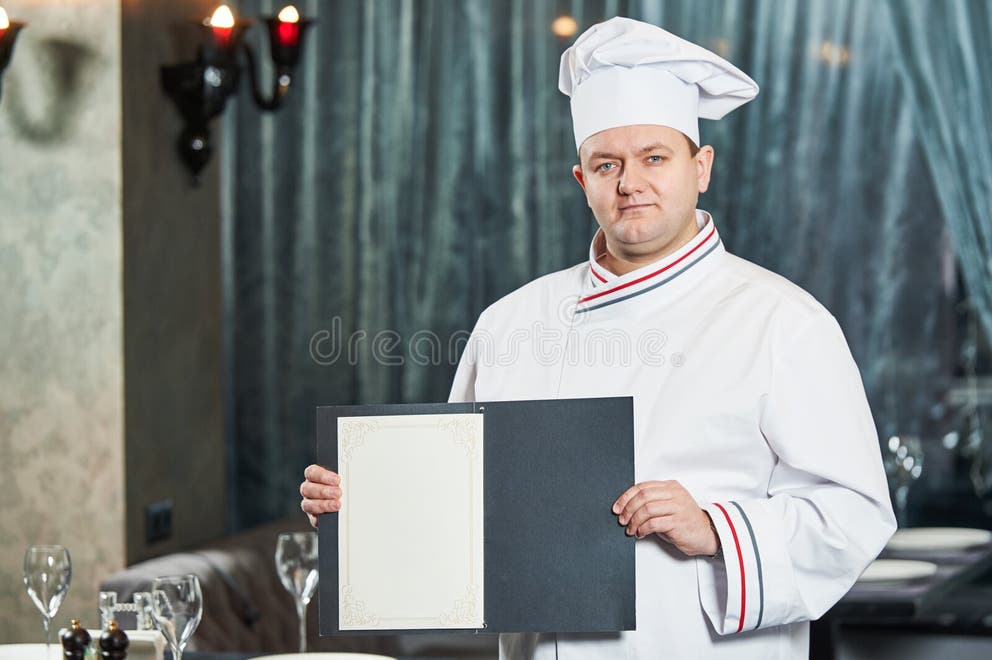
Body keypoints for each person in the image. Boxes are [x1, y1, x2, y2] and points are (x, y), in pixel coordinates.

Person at [301, 16, 895, 659]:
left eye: (655, 159)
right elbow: (458, 511)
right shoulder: (510, 323)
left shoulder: (782, 322)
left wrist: (717, 529)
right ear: (582, 181)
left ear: (702, 168)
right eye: (606, 164)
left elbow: (854, 514)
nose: (630, 183)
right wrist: (363, 509)